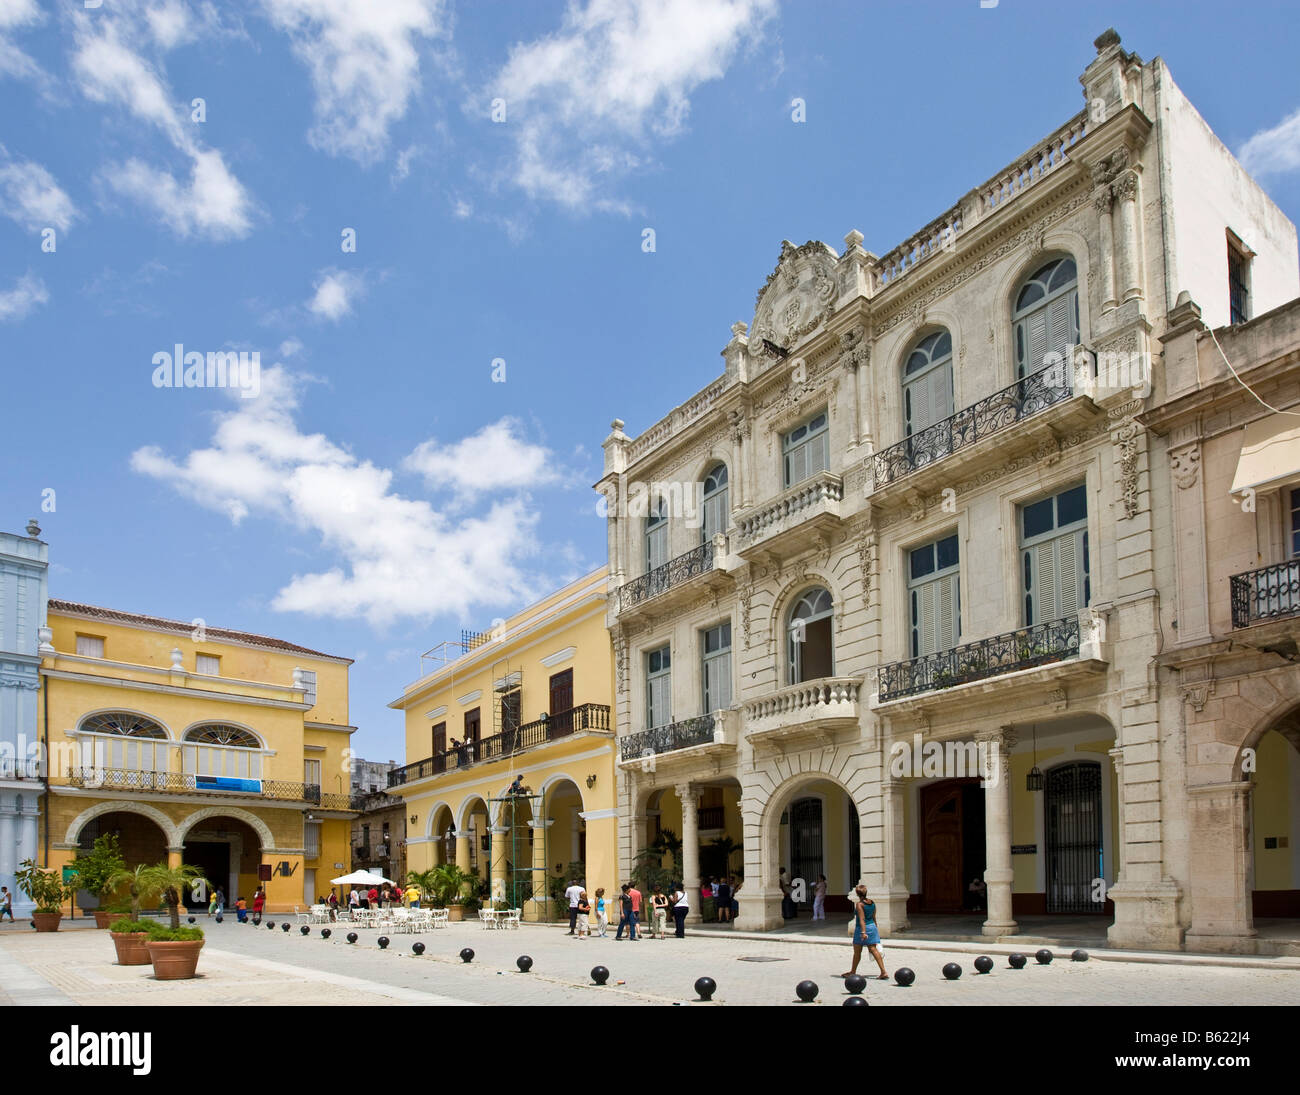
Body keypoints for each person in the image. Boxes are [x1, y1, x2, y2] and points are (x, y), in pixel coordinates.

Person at [841, 884, 888, 981]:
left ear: (857, 894)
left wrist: (863, 932)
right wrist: (875, 928)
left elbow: (862, 919)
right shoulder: (872, 902)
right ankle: (883, 971)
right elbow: (874, 917)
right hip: (872, 927)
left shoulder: (859, 904)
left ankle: (853, 971)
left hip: (861, 929)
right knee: (873, 949)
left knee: (857, 952)